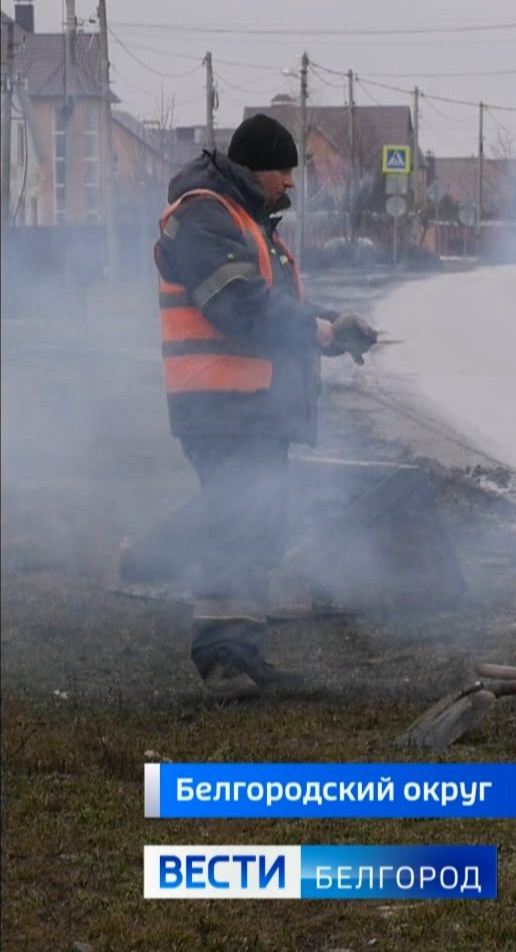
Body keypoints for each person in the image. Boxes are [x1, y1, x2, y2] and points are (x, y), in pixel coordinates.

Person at [152, 113, 377, 698]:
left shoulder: (245, 221)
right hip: (220, 404)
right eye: (285, 171)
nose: (291, 185)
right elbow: (239, 304)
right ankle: (222, 659)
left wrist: (331, 324)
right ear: (257, 169)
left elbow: (275, 305)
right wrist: (319, 332)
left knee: (257, 522)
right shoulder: (205, 215)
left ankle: (240, 653)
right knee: (237, 521)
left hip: (247, 406)